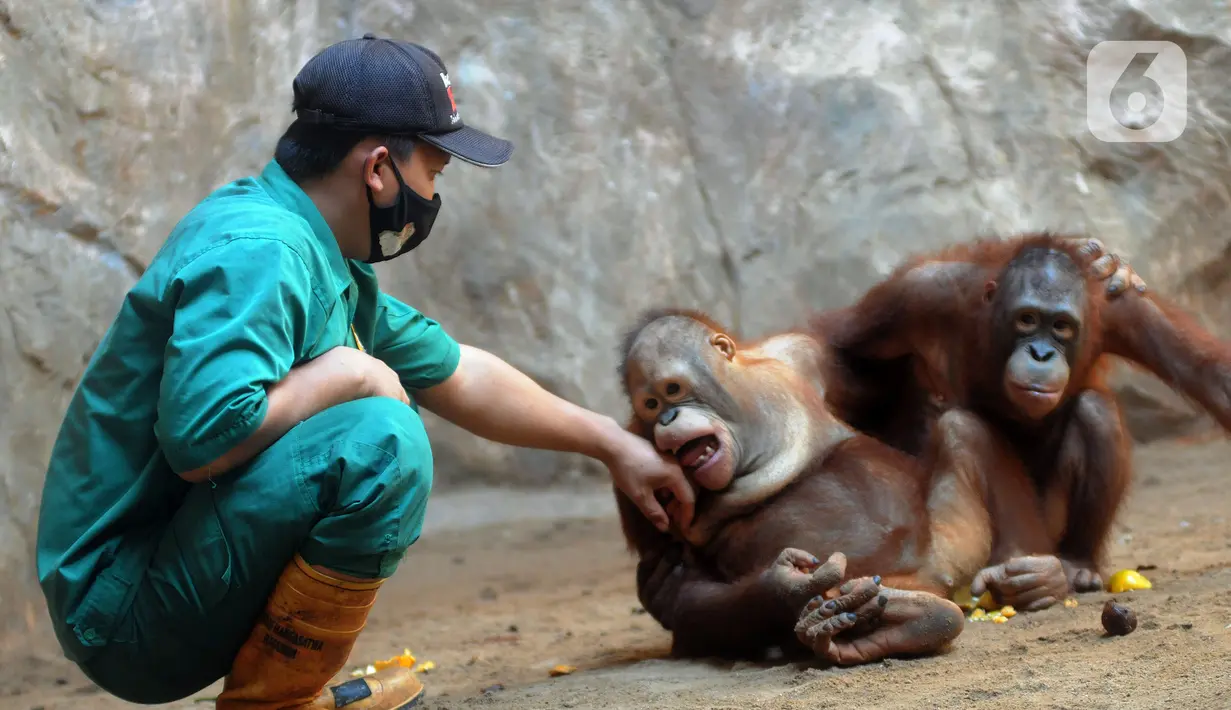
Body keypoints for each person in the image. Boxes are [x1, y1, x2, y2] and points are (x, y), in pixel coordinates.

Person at [35, 35, 695, 710]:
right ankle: (276, 702)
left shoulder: (318, 253)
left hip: (154, 583)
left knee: (379, 415)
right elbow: (201, 438)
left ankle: (289, 690)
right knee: (381, 439)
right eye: (434, 171)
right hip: (127, 614)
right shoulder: (260, 250)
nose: (435, 193)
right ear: (378, 168)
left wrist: (613, 447)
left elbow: (458, 372)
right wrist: (349, 373)